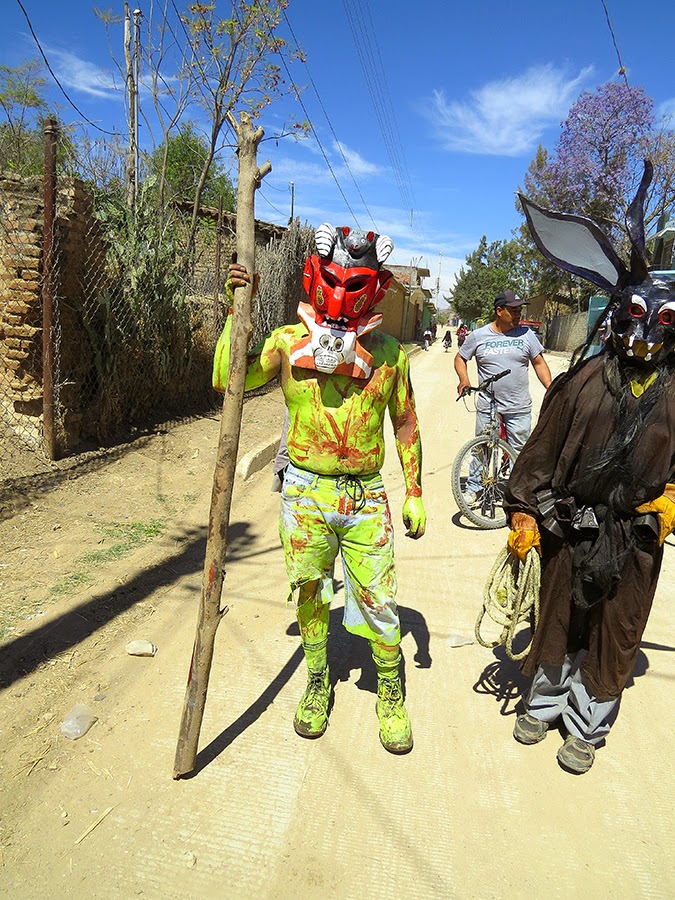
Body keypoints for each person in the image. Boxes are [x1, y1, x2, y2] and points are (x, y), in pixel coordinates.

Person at [213, 223, 426, 753]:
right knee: (310, 590)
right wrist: (237, 311)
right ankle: (315, 680)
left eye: (356, 284)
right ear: (314, 279)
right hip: (304, 492)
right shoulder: (288, 343)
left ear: (376, 288)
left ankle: (390, 691)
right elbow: (228, 378)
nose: (340, 295)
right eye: (333, 281)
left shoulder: (390, 354)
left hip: (365, 497)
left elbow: (405, 422)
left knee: (379, 596)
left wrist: (414, 490)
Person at [504, 161, 675, 774]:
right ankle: (545, 700)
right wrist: (525, 511)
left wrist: (671, 497)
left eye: (662, 321)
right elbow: (541, 452)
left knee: (616, 629)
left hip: (637, 536)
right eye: (635, 315)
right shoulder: (580, 381)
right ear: (617, 314)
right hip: (568, 527)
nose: (645, 331)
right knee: (554, 616)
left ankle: (587, 724)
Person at [454, 290, 552, 501]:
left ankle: (517, 490)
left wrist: (550, 387)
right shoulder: (478, 336)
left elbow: (539, 363)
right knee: (483, 447)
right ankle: (474, 486)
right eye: (513, 310)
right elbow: (460, 358)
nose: (518, 315)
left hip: (519, 407)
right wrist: (464, 380)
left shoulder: (527, 335)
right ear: (499, 311)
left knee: (520, 450)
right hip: (488, 405)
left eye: (519, 310)